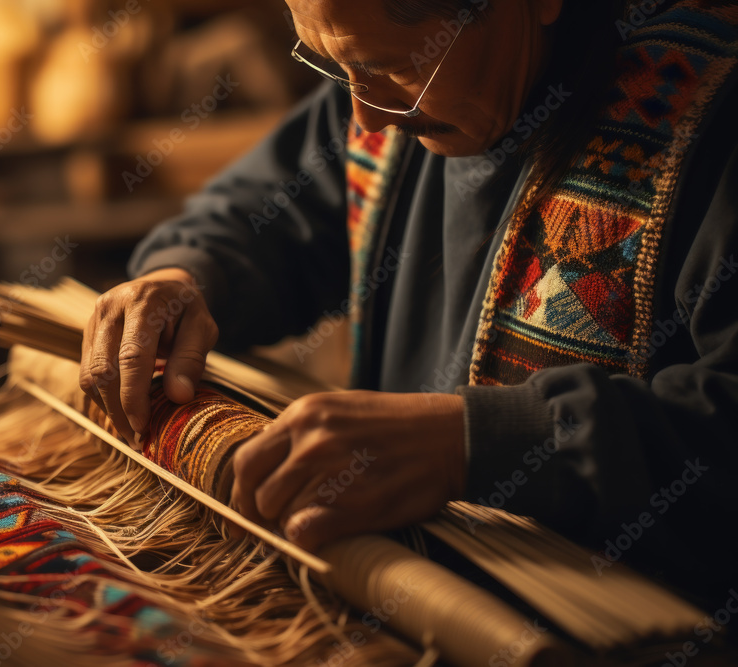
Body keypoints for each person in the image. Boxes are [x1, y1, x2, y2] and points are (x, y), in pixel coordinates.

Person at [80, 0, 738, 605]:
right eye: (331, 64)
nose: (366, 118)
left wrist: (479, 444)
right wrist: (187, 276)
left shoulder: (709, 113)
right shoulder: (381, 88)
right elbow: (257, 216)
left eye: (391, 68)